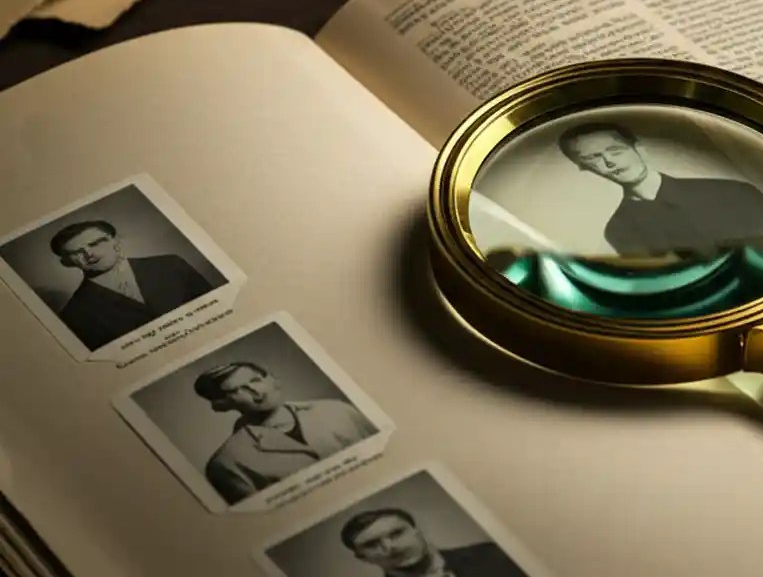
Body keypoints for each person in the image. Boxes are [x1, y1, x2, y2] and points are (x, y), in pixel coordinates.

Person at [557, 121, 763, 255]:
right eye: (594, 158)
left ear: (639, 149)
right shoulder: (618, 229)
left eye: (615, 151)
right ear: (583, 167)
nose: (610, 162)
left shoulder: (734, 193)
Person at [195, 361, 378, 503]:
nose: (256, 391)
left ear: (273, 379)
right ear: (221, 405)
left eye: (256, 380)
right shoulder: (227, 462)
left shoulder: (337, 410)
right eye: (238, 390)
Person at [49, 219, 216, 350]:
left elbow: (216, 306)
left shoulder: (171, 264)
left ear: (115, 241)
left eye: (95, 243)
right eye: (77, 252)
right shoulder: (74, 315)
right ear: (66, 262)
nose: (89, 254)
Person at [340, 507, 526, 577]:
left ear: (417, 532)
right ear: (362, 558)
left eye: (397, 533)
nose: (390, 547)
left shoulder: (494, 554)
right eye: (372, 545)